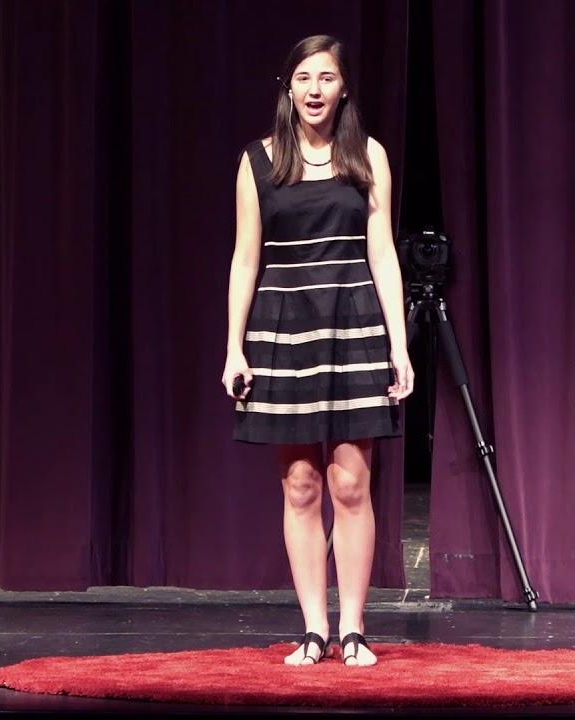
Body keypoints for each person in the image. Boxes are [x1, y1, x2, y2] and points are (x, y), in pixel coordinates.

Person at [221, 34, 414, 667]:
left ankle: (353, 628)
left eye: (326, 77)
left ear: (343, 87)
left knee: (350, 482)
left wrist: (399, 345)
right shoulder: (258, 161)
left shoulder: (369, 156)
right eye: (304, 77)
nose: (314, 89)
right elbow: (246, 257)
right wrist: (234, 349)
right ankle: (313, 628)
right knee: (301, 484)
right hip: (283, 329)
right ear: (288, 87)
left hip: (353, 322)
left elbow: (381, 251)